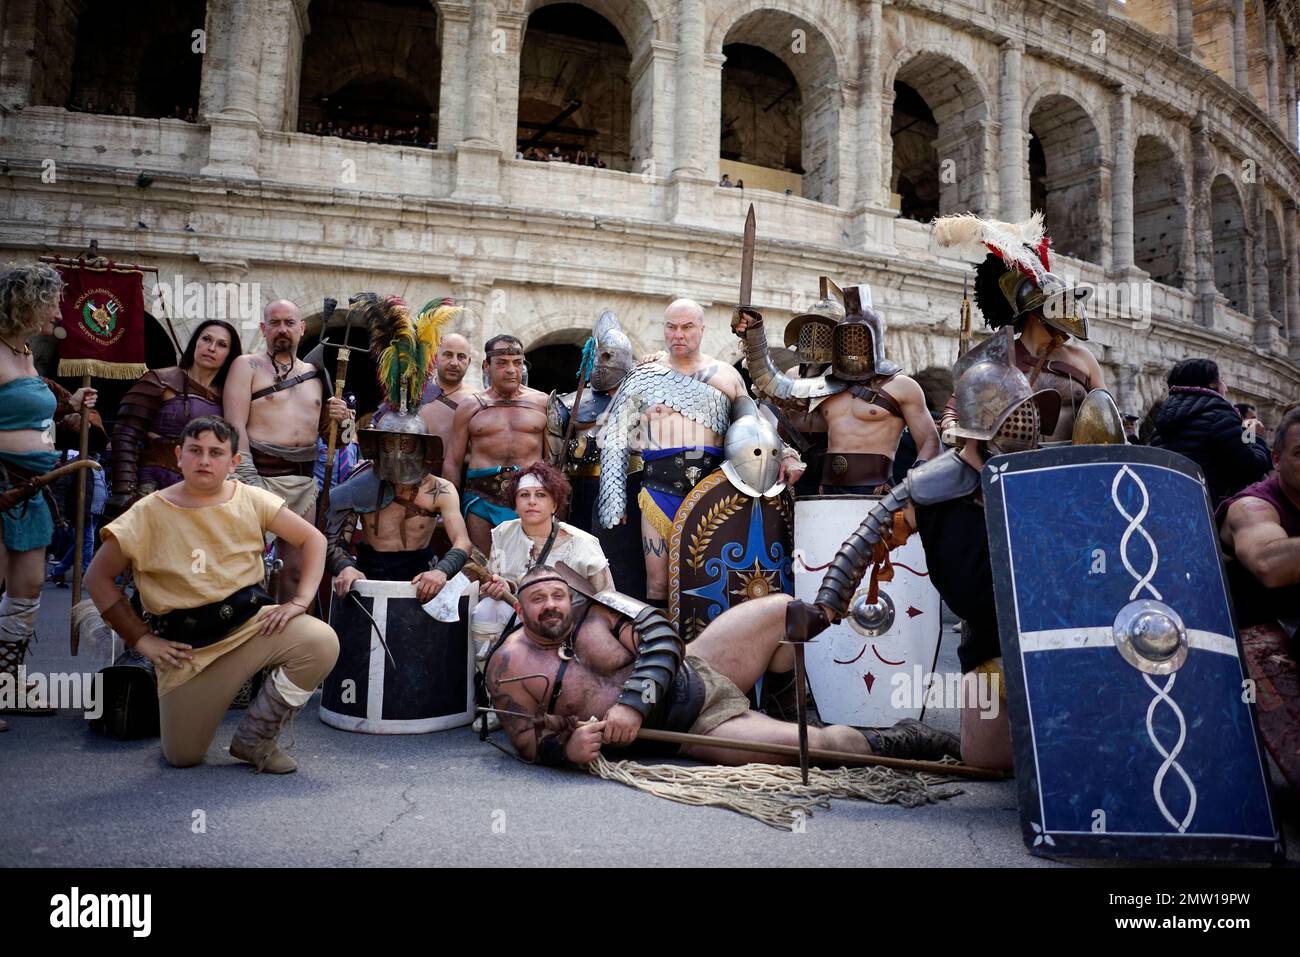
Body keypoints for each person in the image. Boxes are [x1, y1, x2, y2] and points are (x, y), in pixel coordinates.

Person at [785, 354, 1060, 771]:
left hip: (1051, 636)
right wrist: (825, 607)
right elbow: (861, 544)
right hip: (990, 646)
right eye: (1013, 420)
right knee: (986, 764)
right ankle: (914, 740)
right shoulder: (927, 490)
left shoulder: (1040, 483)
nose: (1023, 429)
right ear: (983, 426)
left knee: (1060, 753)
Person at [486, 565, 959, 767]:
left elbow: (661, 637)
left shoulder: (598, 610)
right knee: (819, 747)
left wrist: (630, 705)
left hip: (700, 667)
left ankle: (791, 708)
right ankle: (912, 741)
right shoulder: (510, 664)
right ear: (520, 609)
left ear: (571, 596)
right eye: (536, 599)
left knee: (783, 611)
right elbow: (527, 741)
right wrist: (566, 751)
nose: (550, 605)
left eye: (556, 595)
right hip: (698, 724)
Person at [85, 416, 338, 771]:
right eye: (196, 451)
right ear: (179, 455)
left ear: (234, 462)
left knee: (321, 642)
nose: (205, 460)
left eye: (216, 453)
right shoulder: (146, 512)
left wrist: (300, 600)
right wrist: (142, 641)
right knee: (183, 757)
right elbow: (96, 578)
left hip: (253, 629)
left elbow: (314, 539)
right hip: (187, 651)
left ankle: (255, 738)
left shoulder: (251, 499)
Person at [597, 299, 800, 605]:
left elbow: (753, 426)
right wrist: (613, 498)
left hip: (716, 492)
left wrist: (784, 454)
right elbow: (614, 437)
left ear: (702, 329)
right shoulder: (642, 377)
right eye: (671, 327)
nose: (678, 334)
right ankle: (662, 652)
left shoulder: (727, 376)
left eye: (687, 327)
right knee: (658, 586)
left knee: (714, 577)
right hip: (658, 491)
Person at [0, 264, 98, 732]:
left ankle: (6, 682)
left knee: (29, 588)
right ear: (26, 301)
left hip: (32, 490)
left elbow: (32, 419)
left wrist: (72, 408)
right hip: (2, 486)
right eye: (51, 300)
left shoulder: (24, 354)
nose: (58, 309)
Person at [737, 283, 939, 493]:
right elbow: (771, 384)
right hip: (827, 488)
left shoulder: (902, 386)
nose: (852, 345)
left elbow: (930, 442)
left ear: (873, 338)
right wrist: (754, 333)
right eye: (846, 337)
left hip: (877, 490)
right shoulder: (828, 387)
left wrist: (913, 485)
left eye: (858, 337)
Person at [933, 213, 1104, 442]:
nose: (1067, 316)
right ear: (1034, 315)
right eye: (1058, 308)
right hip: (1016, 469)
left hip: (1075, 468)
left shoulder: (1084, 360)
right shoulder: (995, 359)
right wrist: (952, 427)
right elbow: (956, 407)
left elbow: (1106, 418)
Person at [222, 300, 351, 603]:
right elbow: (234, 424)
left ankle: (289, 637)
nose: (283, 329)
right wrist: (246, 475)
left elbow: (334, 439)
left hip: (303, 483)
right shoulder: (246, 366)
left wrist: (341, 418)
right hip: (258, 477)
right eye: (275, 322)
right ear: (263, 328)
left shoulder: (317, 374)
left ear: (301, 328)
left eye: (289, 323)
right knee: (247, 565)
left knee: (295, 570)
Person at [327, 404, 471, 600]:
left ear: (422, 446)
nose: (397, 452)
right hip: (369, 573)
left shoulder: (441, 490)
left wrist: (441, 571)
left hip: (420, 576)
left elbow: (462, 542)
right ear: (378, 445)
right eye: (389, 443)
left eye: (405, 444)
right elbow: (333, 541)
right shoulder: (360, 485)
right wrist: (346, 567)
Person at [108, 318, 242, 515]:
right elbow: (126, 434)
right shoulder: (161, 380)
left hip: (205, 488)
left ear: (229, 354)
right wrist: (124, 489)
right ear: (195, 342)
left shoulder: (230, 396)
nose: (211, 348)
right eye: (206, 339)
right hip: (153, 484)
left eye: (221, 345)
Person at [443, 334, 548, 555]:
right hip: (480, 500)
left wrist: (557, 504)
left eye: (517, 363)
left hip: (529, 498)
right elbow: (452, 462)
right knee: (483, 570)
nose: (511, 370)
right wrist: (448, 511)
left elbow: (553, 463)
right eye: (502, 363)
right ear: (486, 365)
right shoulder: (470, 406)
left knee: (529, 566)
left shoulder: (542, 404)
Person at [1217, 405, 1300, 629]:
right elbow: (1268, 562)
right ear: (1277, 459)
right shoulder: (1250, 506)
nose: (1254, 421)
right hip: (1252, 630)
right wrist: (1252, 436)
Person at [1149, 358, 1271, 509]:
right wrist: (1253, 434)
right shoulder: (1219, 415)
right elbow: (1252, 468)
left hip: (1167, 506)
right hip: (1207, 510)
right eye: (1222, 380)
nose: (1225, 387)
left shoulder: (1162, 420)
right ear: (1212, 384)